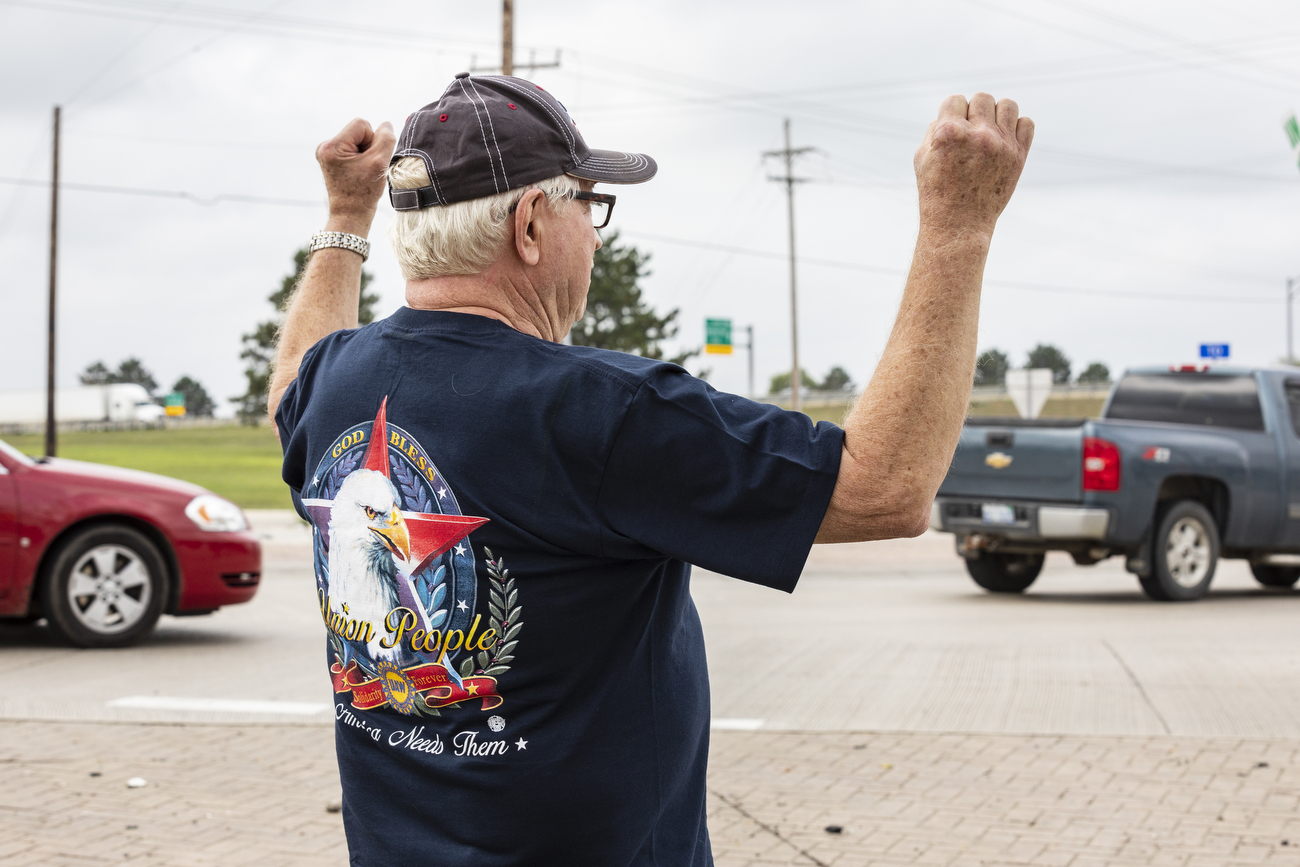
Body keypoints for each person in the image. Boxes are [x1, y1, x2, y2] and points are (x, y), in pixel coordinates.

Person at [270, 73, 1032, 866]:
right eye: (588, 208)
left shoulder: (335, 382)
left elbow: (288, 382)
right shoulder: (601, 410)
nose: (597, 238)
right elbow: (885, 489)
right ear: (530, 224)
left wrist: (343, 218)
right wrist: (959, 225)